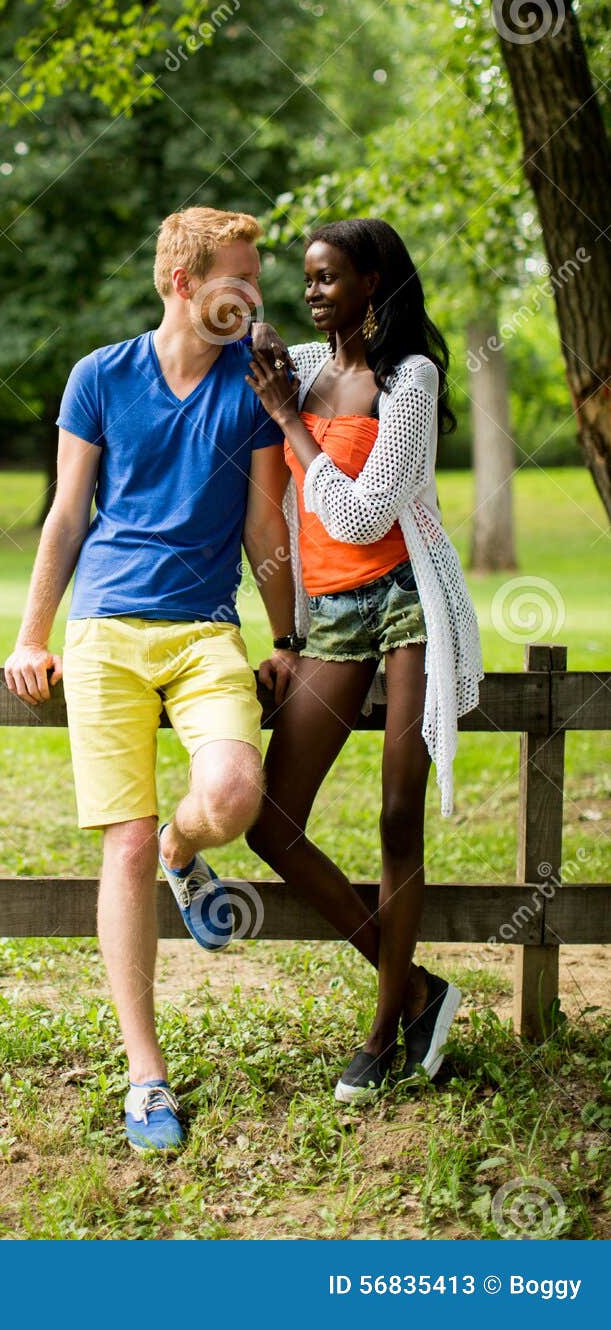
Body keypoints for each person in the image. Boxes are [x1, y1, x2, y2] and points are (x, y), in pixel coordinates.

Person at [4, 206, 300, 1154]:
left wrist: (285, 635)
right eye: (238, 280)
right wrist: (30, 635)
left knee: (233, 794)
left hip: (206, 632)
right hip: (101, 635)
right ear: (183, 281)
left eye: (257, 281)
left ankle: (186, 846)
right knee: (118, 845)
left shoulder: (250, 390)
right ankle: (146, 1078)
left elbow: (264, 529)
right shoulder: (99, 376)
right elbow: (65, 517)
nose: (254, 296)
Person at [246, 218, 483, 1103]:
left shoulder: (408, 379)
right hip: (333, 617)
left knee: (394, 813)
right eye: (304, 280)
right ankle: (418, 989)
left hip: (407, 600)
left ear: (374, 280)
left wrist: (286, 422)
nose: (313, 293)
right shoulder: (302, 368)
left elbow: (359, 517)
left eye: (330, 278)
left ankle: (382, 1032)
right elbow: (228, 340)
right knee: (270, 822)